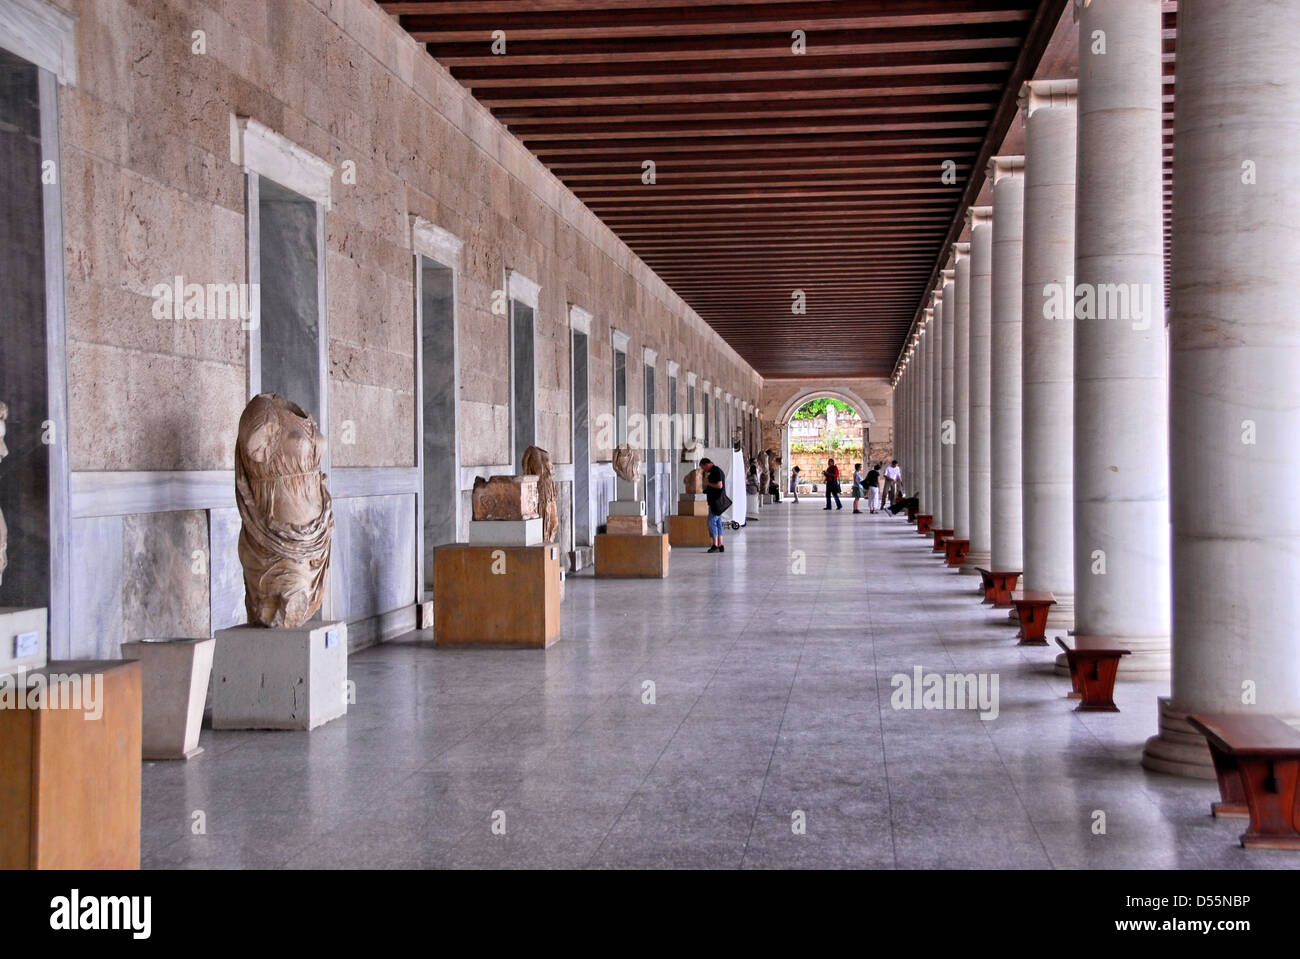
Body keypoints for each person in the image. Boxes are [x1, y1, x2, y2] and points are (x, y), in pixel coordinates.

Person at [700, 456, 727, 553]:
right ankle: (720, 544)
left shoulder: (715, 471)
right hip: (717, 501)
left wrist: (708, 483)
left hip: (716, 502)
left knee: (711, 522)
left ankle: (715, 544)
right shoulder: (716, 471)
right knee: (718, 522)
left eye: (703, 468)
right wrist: (707, 490)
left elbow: (719, 485)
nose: (704, 470)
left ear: (706, 464)